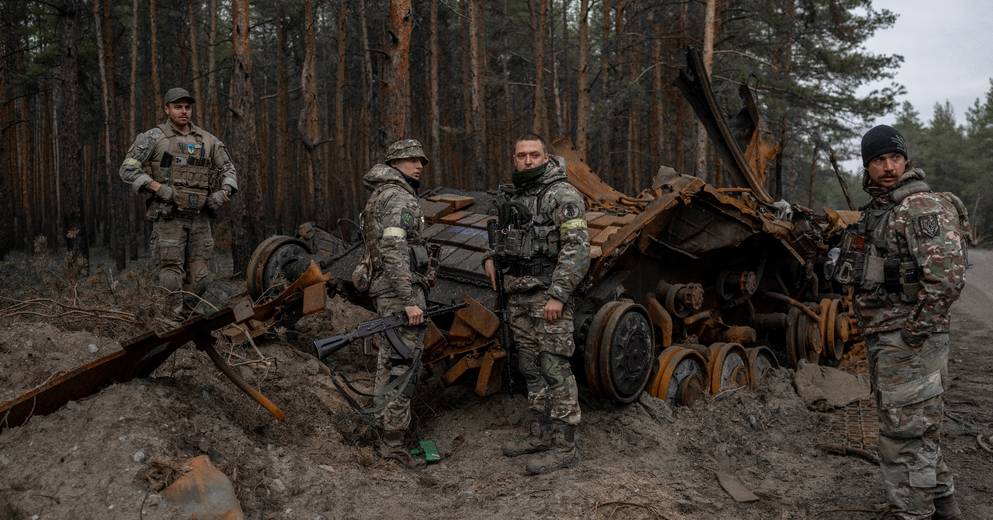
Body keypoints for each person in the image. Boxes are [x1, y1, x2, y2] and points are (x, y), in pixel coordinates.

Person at [829, 125, 969, 520]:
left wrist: (913, 332)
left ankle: (911, 513)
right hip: (892, 338)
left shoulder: (919, 206)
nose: (888, 167)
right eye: (878, 160)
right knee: (916, 428)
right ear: (867, 167)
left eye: (894, 158)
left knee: (903, 437)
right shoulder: (883, 209)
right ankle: (944, 505)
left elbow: (947, 280)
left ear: (906, 160)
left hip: (908, 340)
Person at [484, 134, 590, 475]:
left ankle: (565, 446)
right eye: (521, 156)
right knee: (530, 367)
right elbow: (502, 235)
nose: (527, 161)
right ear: (514, 159)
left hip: (547, 295)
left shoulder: (562, 195)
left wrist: (559, 294)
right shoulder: (516, 195)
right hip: (518, 295)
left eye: (534, 155)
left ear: (546, 158)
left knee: (554, 368)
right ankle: (540, 433)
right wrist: (489, 257)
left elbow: (577, 248)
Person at [118, 87, 237, 316]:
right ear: (167, 109)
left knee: (201, 278)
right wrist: (158, 188)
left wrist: (224, 192)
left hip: (200, 219)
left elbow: (228, 168)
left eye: (187, 107)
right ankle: (171, 320)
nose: (183, 112)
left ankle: (186, 317)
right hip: (169, 218)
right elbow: (127, 168)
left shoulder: (207, 140)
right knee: (171, 273)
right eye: (177, 107)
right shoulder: (154, 137)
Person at [355, 138, 434, 469]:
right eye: (410, 160)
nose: (418, 165)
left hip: (386, 289)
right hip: (401, 291)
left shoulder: (380, 195)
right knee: (403, 365)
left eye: (421, 160)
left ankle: (381, 429)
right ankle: (394, 444)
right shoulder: (399, 197)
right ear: (394, 164)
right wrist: (408, 300)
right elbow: (392, 249)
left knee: (387, 361)